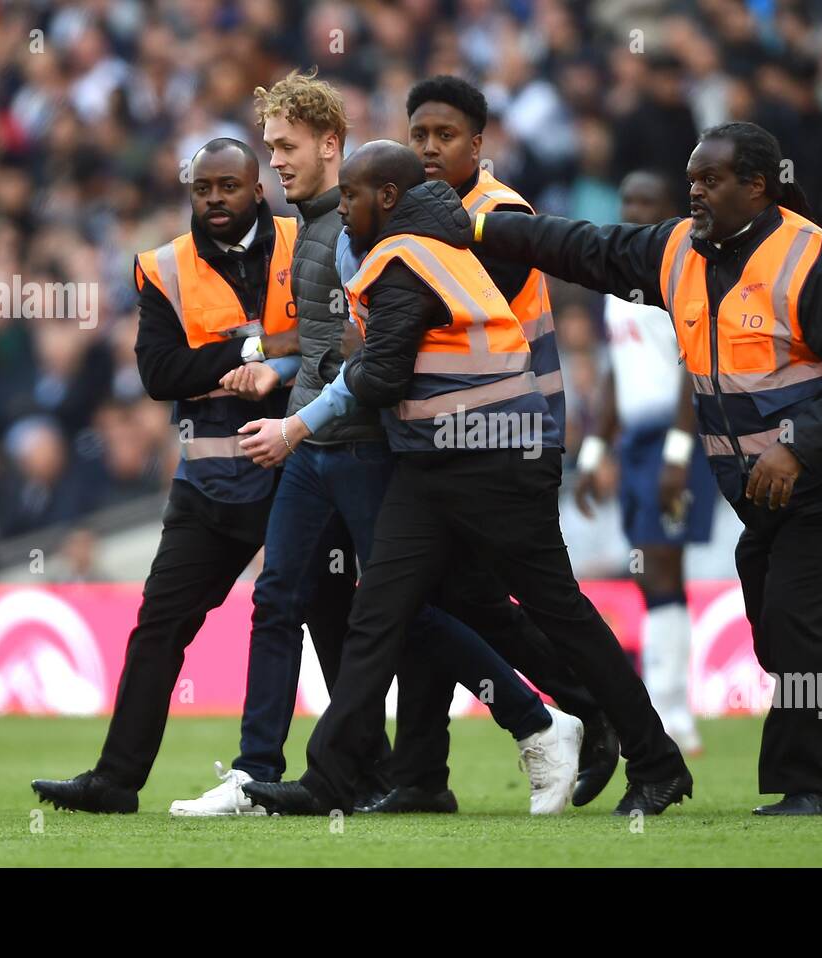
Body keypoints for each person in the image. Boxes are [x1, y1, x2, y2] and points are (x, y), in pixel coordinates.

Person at [462, 121, 822, 816]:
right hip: (771, 492)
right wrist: (479, 230)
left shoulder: (810, 258)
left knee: (794, 630)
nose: (694, 191)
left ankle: (811, 785)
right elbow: (579, 248)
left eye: (711, 180)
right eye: (691, 178)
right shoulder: (676, 252)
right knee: (780, 636)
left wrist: (797, 445)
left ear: (757, 186)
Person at [177, 72, 588, 818]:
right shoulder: (316, 232)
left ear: (331, 147)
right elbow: (328, 350)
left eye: (287, 146)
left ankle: (538, 721)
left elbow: (365, 364)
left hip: (370, 445)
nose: (276, 163)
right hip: (314, 447)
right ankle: (252, 772)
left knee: (409, 613)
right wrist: (272, 372)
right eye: (270, 148)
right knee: (277, 600)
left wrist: (295, 413)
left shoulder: (364, 232)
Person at [241, 141, 691, 818]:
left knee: (557, 612)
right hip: (437, 459)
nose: (347, 207)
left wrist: (303, 418)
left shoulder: (401, 261)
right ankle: (330, 780)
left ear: (385, 200)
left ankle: (657, 762)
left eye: (356, 196)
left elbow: (385, 373)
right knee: (379, 612)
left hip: (498, 459)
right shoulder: (425, 248)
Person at [30, 138, 328, 813]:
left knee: (332, 618)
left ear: (258, 189)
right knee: (159, 626)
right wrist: (255, 348)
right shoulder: (164, 269)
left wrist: (245, 363)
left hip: (297, 468)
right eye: (203, 188)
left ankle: (365, 773)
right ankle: (117, 780)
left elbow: (325, 339)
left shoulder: (304, 241)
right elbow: (159, 374)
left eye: (229, 185)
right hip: (210, 487)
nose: (215, 199)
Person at [366, 74, 618, 810]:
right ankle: (421, 776)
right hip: (447, 447)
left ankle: (595, 708)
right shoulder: (414, 220)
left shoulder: (499, 218)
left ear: (480, 145)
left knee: (507, 601)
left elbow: (426, 322)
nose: (430, 148)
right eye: (419, 136)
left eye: (445, 136)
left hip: (510, 439)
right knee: (446, 599)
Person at [573, 169, 717, 754]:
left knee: (661, 564)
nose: (633, 210)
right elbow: (615, 374)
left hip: (673, 438)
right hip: (632, 439)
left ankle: (672, 711)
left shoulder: (682, 279)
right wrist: (592, 450)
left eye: (645, 202)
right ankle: (667, 706)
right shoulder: (617, 285)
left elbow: (695, 373)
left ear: (671, 212)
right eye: (626, 200)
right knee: (650, 571)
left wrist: (679, 456)